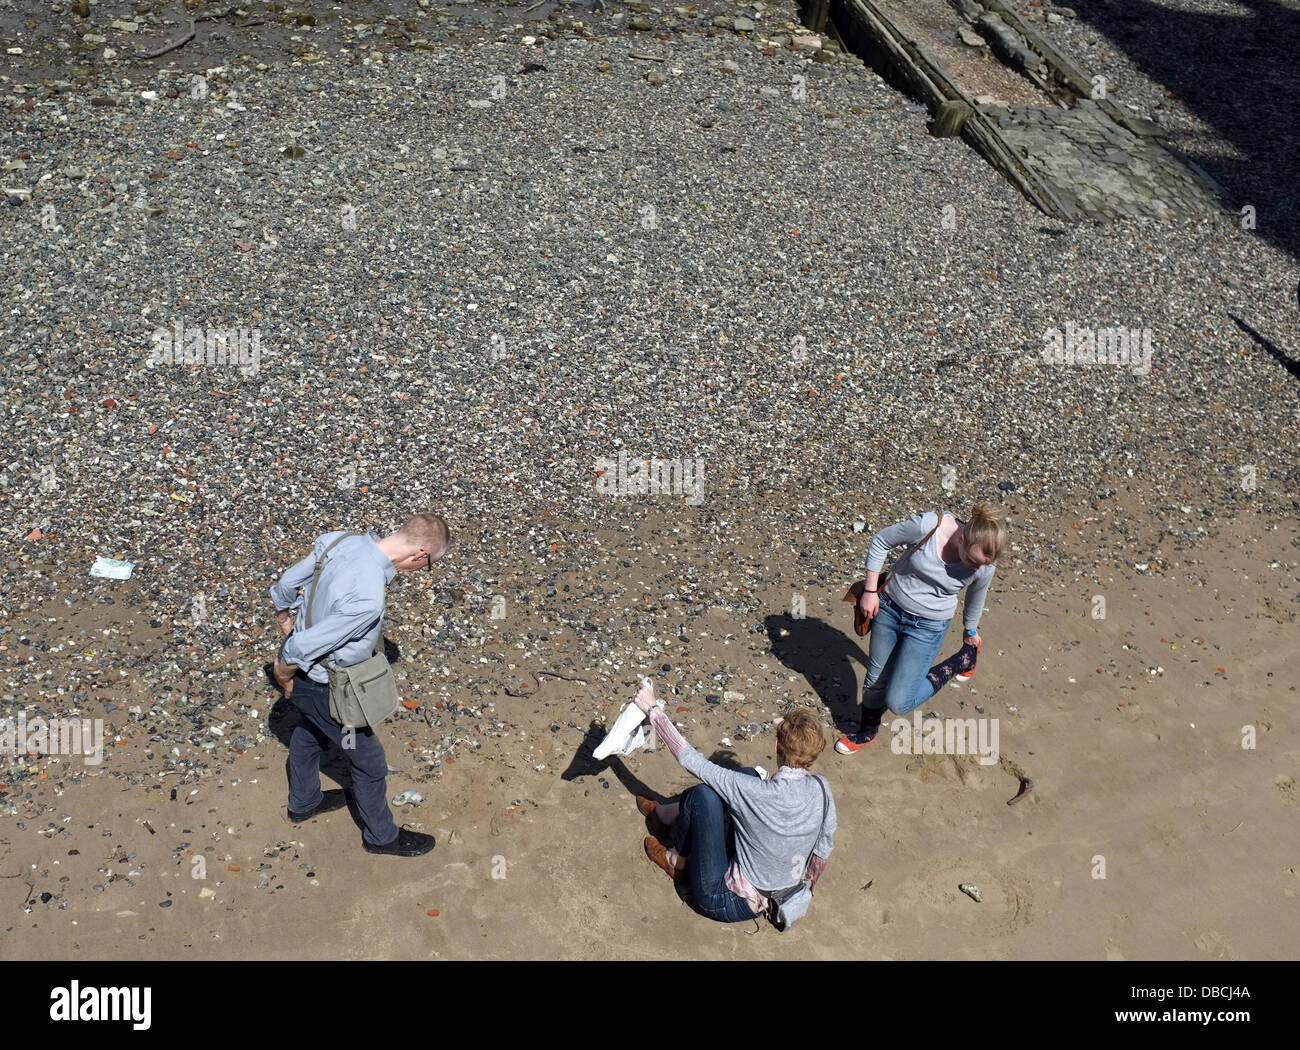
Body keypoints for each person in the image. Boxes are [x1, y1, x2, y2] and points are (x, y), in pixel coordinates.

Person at [270, 514, 450, 856]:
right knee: (368, 761)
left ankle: (305, 802)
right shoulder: (368, 597)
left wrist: (284, 615)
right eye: (427, 567)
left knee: (311, 732)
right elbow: (302, 649)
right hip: (325, 684)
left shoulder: (341, 540)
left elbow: (288, 582)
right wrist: (283, 674)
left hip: (311, 680)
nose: (418, 573)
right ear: (419, 555)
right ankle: (381, 838)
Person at [632, 686, 837, 925]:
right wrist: (803, 889)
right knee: (749, 774)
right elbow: (823, 849)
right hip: (779, 893)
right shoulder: (822, 788)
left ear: (776, 747)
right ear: (813, 755)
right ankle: (664, 815)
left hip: (724, 899)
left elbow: (689, 759)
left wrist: (653, 709)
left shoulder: (758, 793)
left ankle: (675, 858)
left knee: (703, 795)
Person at [836, 504, 1006, 755]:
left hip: (928, 628)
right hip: (889, 610)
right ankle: (867, 731)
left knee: (899, 701)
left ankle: (963, 660)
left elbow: (975, 597)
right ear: (961, 539)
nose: (974, 568)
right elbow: (881, 540)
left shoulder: (984, 565)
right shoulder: (929, 526)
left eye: (981, 565)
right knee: (875, 680)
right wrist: (870, 591)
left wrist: (970, 632)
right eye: (971, 560)